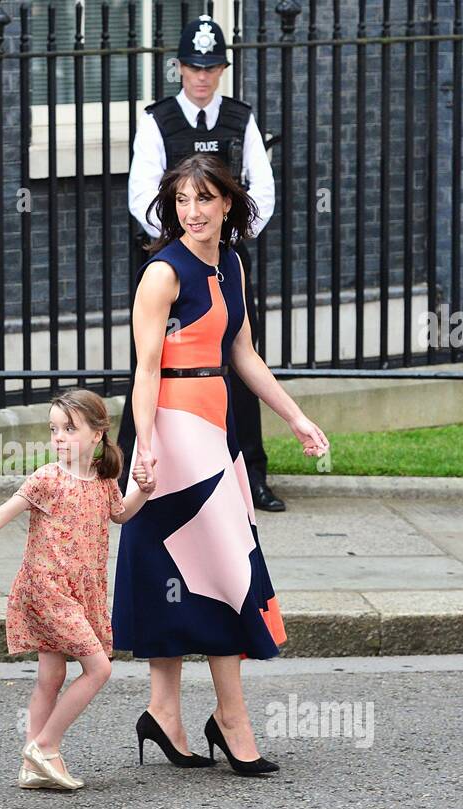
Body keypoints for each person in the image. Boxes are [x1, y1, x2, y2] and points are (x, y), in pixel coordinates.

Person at [112, 153, 329, 776]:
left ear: (227, 202)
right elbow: (146, 366)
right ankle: (229, 719)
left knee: (177, 561)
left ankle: (165, 711)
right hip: (174, 430)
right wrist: (146, 442)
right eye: (182, 200)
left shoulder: (232, 263)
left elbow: (243, 353)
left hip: (217, 429)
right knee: (217, 565)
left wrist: (295, 416)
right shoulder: (161, 273)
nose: (193, 211)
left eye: (205, 199)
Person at [0, 391, 155, 790]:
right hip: (47, 588)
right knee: (99, 668)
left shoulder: (105, 480)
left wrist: (143, 489)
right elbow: (3, 513)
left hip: (81, 591)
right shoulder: (47, 479)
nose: (58, 437)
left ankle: (32, 767)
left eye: (69, 429)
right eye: (54, 428)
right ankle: (45, 746)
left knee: (51, 676)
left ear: (97, 434)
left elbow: (122, 514)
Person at [124, 13, 285, 512]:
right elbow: (141, 195)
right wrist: (183, 242)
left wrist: (229, 238)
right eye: (194, 67)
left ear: (222, 70)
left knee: (238, 360)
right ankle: (139, 465)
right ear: (179, 68)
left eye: (211, 67)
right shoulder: (157, 119)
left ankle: (248, 470)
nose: (202, 76)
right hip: (171, 265)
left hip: (226, 257)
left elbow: (263, 188)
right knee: (152, 365)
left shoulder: (241, 118)